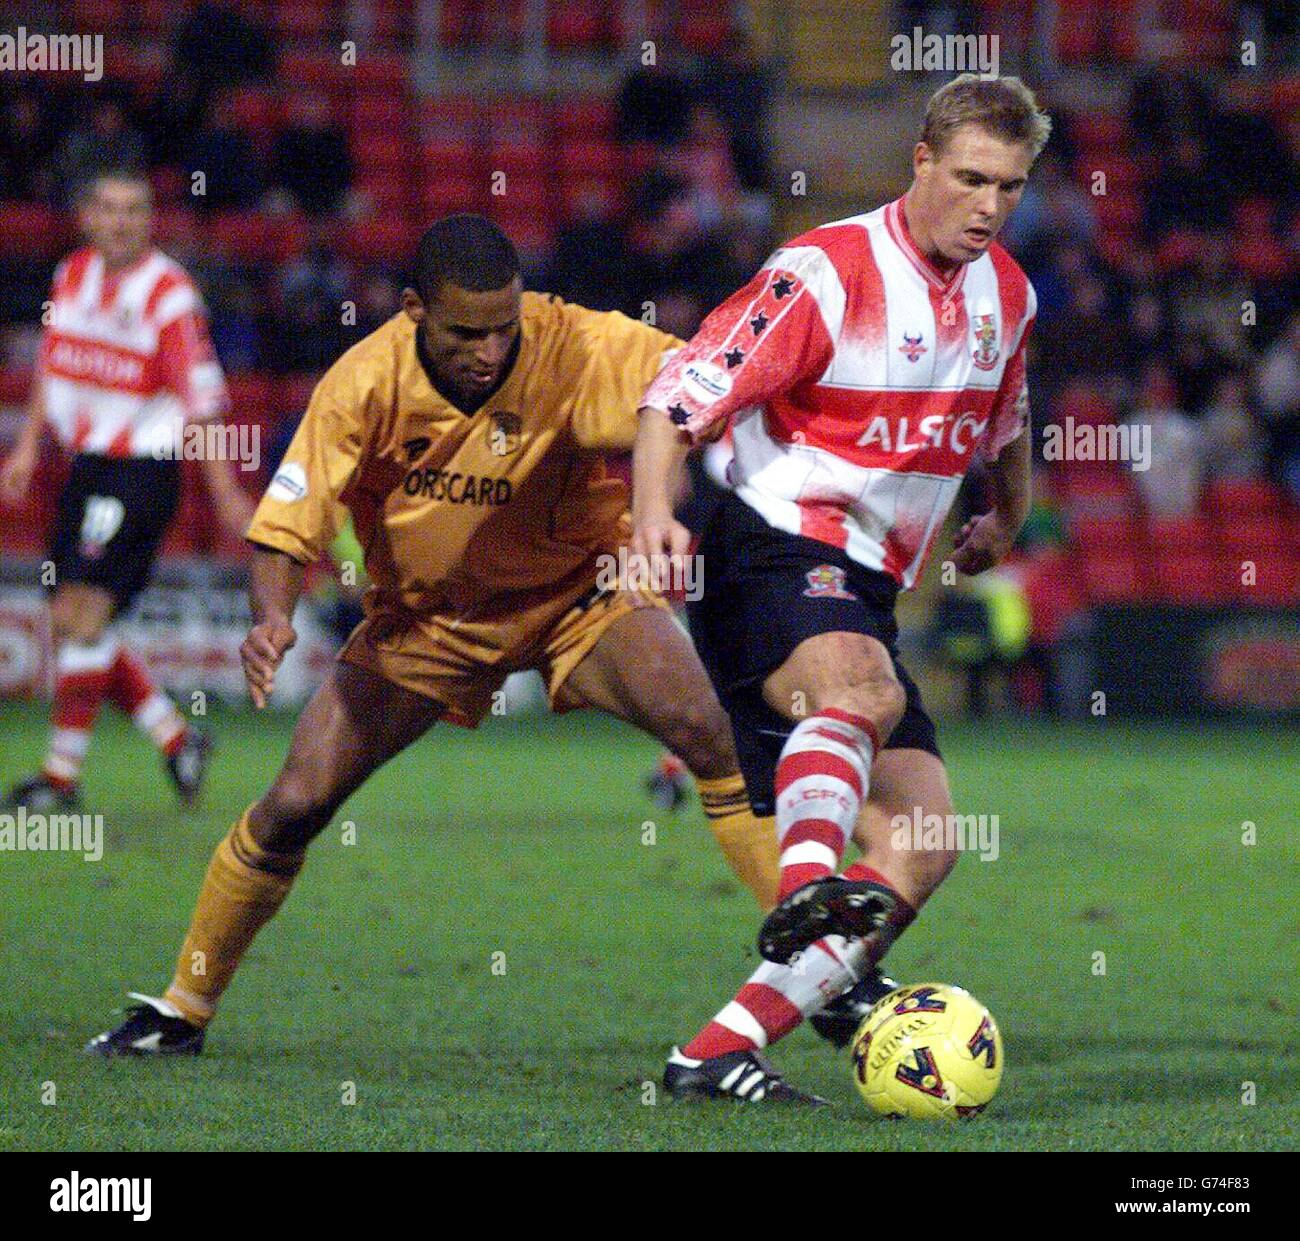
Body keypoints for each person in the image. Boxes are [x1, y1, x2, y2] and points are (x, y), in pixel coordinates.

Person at [86, 213, 780, 1056]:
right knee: (296, 802)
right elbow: (285, 527)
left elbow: (697, 382)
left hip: (576, 596)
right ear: (415, 309)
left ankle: (824, 972)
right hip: (427, 624)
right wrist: (271, 616)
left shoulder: (577, 344)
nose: (491, 351)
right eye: (467, 333)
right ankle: (180, 1009)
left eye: (504, 328)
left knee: (710, 731)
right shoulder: (362, 382)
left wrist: (663, 500)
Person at [631, 74, 1048, 1102]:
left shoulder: (1010, 297)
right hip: (761, 542)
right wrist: (650, 513)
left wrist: (1005, 515)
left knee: (923, 838)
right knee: (860, 691)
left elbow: (1003, 428)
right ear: (921, 160)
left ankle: (718, 1049)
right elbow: (674, 399)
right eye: (969, 179)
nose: (989, 206)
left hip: (862, 582)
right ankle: (806, 882)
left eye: (1010, 185)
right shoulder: (823, 271)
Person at [0, 167, 253, 813]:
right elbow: (53, 367)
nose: (121, 221)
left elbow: (201, 398)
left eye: (134, 210)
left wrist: (224, 493)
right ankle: (178, 738)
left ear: (150, 219)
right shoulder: (71, 275)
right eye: (109, 209)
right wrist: (28, 446)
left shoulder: (169, 294)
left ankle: (60, 780)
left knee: (79, 618)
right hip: (88, 467)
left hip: (140, 469)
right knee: (76, 622)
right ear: (86, 215)